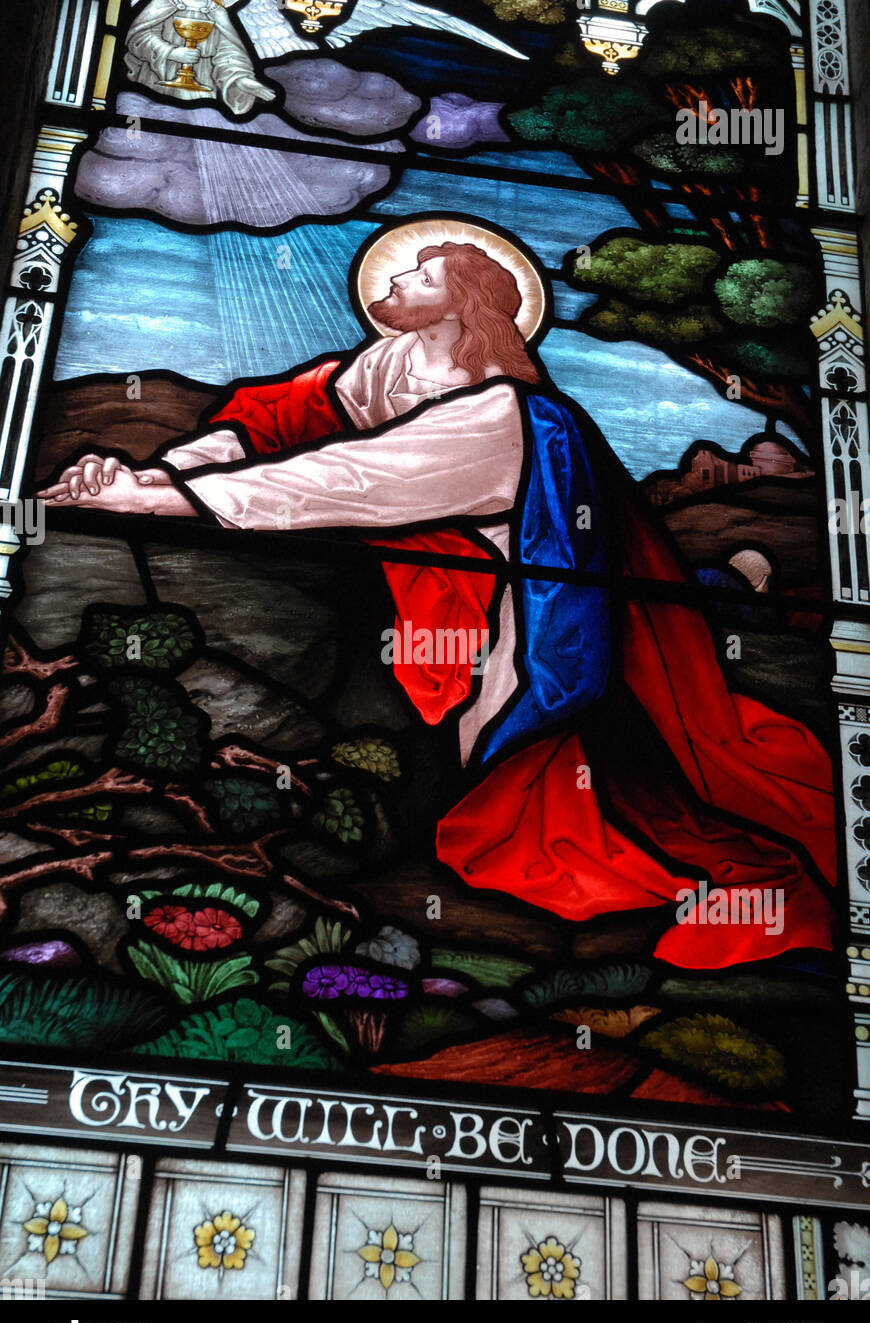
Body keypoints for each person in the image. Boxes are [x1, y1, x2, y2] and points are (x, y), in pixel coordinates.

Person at [39, 234, 836, 971]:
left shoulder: (503, 412)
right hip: (444, 590)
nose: (395, 276)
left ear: (467, 300)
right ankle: (738, 581)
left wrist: (165, 502)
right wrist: (154, 474)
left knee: (529, 821)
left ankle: (743, 584)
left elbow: (350, 479)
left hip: (527, 616)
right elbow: (285, 417)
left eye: (421, 271)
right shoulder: (389, 366)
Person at [125, 0, 276, 114]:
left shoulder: (217, 12)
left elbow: (229, 53)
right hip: (156, 80)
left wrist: (240, 79)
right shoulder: (163, 3)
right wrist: (170, 52)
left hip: (203, 87)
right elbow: (139, 36)